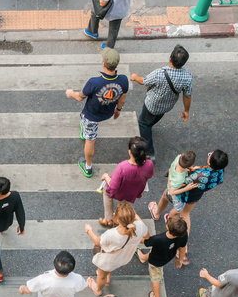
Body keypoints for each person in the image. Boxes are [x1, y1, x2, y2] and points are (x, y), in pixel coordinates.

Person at [65, 48, 129, 178]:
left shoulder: (94, 82)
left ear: (103, 63)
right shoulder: (123, 80)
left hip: (91, 116)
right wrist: (118, 110)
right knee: (87, 129)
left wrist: (70, 93)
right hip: (107, 112)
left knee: (90, 140)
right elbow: (122, 99)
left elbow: (80, 97)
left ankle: (88, 167)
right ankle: (84, 130)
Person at [166, 149, 229, 265]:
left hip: (186, 194)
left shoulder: (199, 175)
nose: (209, 154)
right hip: (197, 195)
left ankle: (181, 244)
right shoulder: (220, 171)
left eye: (210, 155)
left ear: (210, 161)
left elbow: (181, 183)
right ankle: (183, 248)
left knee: (181, 212)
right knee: (186, 214)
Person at [129, 45, 193, 157]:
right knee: (154, 118)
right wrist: (186, 110)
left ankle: (149, 152)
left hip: (152, 105)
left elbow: (144, 81)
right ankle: (149, 126)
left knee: (143, 124)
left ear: (170, 59)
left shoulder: (160, 73)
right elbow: (187, 95)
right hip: (167, 106)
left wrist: (135, 77)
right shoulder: (188, 77)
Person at [85, 202, 148, 295]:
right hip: (124, 256)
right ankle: (108, 276)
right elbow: (146, 238)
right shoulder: (141, 226)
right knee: (110, 267)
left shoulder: (111, 234)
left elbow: (97, 241)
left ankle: (98, 290)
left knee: (101, 276)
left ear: (117, 219)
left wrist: (89, 230)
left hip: (109, 259)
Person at [137, 214, 188, 297]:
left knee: (155, 278)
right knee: (155, 251)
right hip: (167, 255)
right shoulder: (183, 235)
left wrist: (134, 234)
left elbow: (145, 242)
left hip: (156, 262)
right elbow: (182, 248)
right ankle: (143, 258)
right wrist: (180, 260)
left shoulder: (158, 239)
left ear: (167, 227)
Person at [98, 137, 154, 227]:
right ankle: (117, 221)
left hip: (119, 190)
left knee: (106, 193)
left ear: (130, 152)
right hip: (132, 192)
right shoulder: (149, 164)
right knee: (123, 205)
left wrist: (106, 176)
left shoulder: (122, 167)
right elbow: (150, 175)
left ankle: (108, 219)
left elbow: (113, 185)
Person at [148, 151, 195, 220]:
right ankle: (169, 219)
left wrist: (169, 181)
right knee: (178, 210)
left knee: (165, 196)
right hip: (177, 195)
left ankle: (156, 214)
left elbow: (170, 170)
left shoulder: (178, 157)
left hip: (171, 184)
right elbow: (172, 192)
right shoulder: (180, 178)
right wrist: (187, 188)